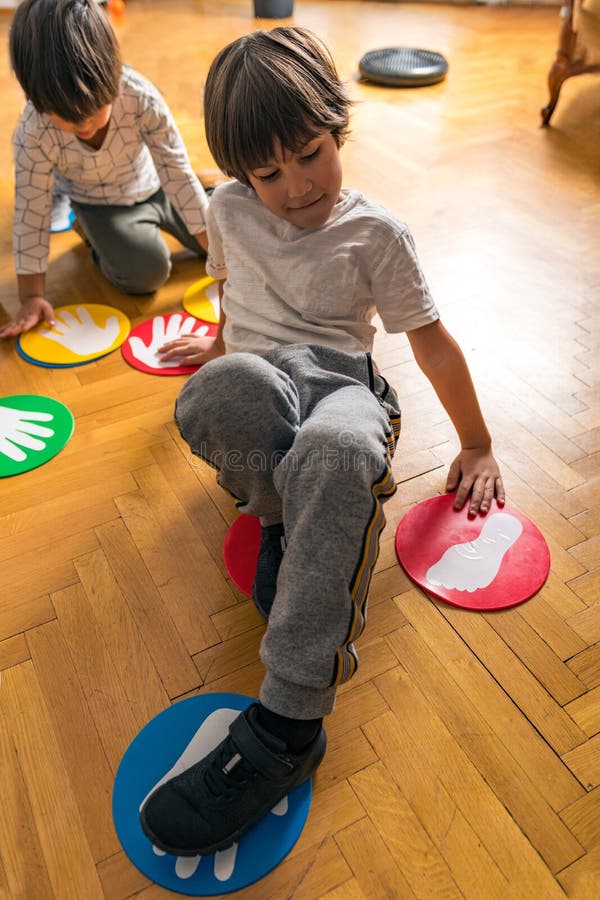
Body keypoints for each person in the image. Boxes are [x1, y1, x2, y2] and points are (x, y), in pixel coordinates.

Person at [140, 26, 505, 857]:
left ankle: (289, 727)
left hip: (343, 389)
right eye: (268, 173)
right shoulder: (229, 209)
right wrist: (223, 347)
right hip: (268, 384)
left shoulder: (378, 234)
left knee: (334, 454)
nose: (296, 186)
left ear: (338, 126)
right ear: (239, 174)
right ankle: (282, 519)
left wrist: (477, 442)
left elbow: (432, 344)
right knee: (216, 392)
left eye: (310, 154)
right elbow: (236, 296)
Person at [0, 0, 210, 340]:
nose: (82, 123)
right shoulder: (33, 133)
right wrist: (32, 296)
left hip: (159, 185)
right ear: (33, 95)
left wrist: (216, 247)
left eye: (95, 107)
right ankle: (89, 230)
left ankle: (210, 194)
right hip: (101, 207)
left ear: (113, 72)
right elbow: (31, 212)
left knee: (220, 239)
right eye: (63, 115)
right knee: (147, 274)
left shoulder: (141, 97)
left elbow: (176, 171)